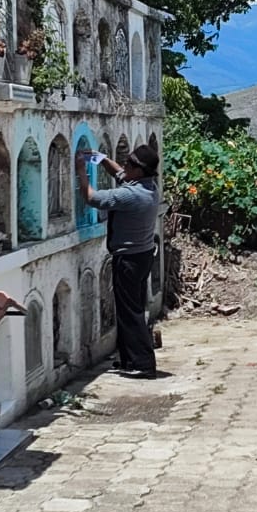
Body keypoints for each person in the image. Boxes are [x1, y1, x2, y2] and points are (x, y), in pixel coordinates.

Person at [76, 144, 161, 378]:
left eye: (130, 164)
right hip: (141, 255)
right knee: (129, 309)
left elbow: (91, 197)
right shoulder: (148, 187)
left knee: (130, 313)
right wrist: (102, 159)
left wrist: (81, 170)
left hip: (129, 260)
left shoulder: (132, 195)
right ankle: (128, 359)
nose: (124, 166)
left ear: (139, 171)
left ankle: (143, 364)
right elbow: (120, 174)